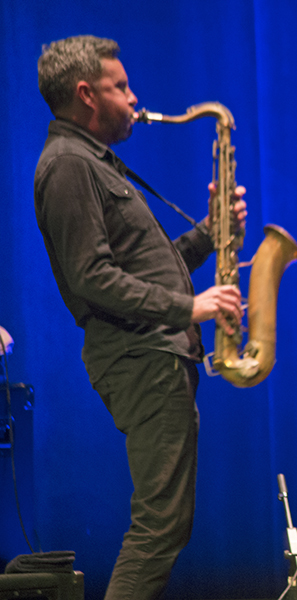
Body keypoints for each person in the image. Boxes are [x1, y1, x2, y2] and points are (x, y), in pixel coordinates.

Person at [34, 35, 246, 600]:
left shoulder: (90, 161)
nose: (134, 98)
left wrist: (210, 234)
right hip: (142, 358)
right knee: (159, 527)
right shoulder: (69, 165)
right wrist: (190, 307)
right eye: (120, 87)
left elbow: (146, 268)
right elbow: (91, 278)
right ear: (86, 94)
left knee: (165, 525)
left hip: (154, 355)